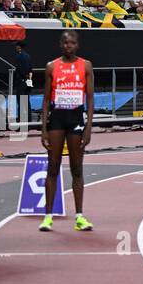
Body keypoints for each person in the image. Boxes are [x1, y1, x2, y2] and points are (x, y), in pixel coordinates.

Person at [38, 31, 94, 232]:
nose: (68, 45)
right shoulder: (51, 66)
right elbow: (45, 99)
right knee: (53, 166)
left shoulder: (86, 65)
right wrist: (43, 129)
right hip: (57, 119)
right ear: (60, 44)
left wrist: (88, 127)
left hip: (76, 118)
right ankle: (47, 216)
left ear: (77, 45)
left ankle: (79, 216)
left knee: (76, 168)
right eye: (65, 42)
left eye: (72, 42)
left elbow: (90, 99)